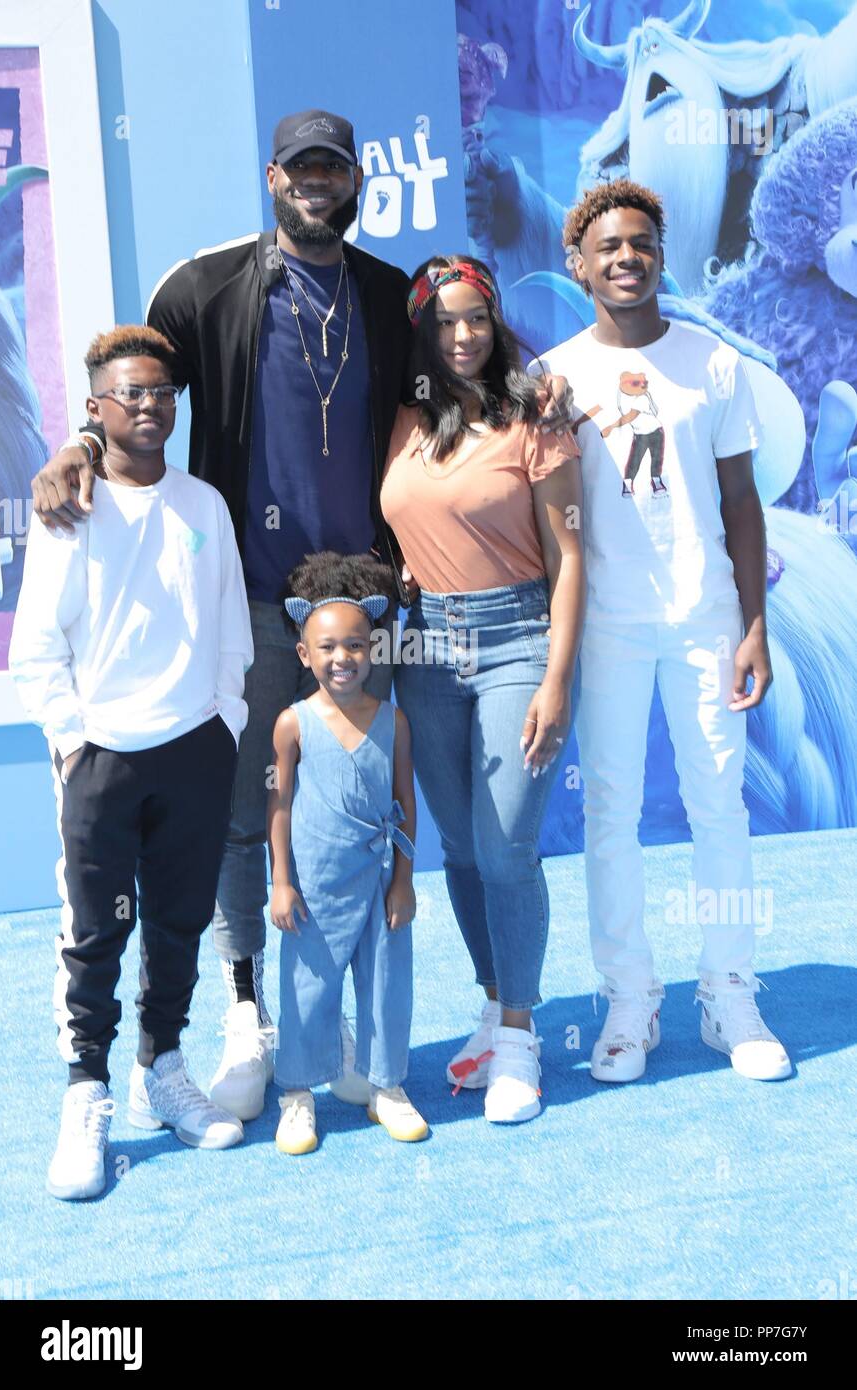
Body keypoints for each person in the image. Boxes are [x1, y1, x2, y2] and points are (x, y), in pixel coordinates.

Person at [28, 109, 572, 1124]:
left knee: (385, 814)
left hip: (380, 611)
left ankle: (400, 1027)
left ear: (355, 180)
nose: (315, 184)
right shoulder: (203, 287)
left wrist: (551, 390)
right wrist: (74, 443)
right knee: (246, 815)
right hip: (261, 606)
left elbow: (473, 363)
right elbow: (134, 382)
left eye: (333, 169)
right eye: (299, 168)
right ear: (270, 176)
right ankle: (249, 1014)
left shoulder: (380, 294)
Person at [537, 179, 791, 1083]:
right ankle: (628, 1001)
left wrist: (754, 624)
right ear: (581, 265)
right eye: (608, 247)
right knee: (609, 811)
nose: (626, 259)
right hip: (605, 625)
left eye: (640, 243)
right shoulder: (554, 377)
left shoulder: (714, 365)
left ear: (660, 252)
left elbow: (742, 505)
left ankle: (729, 993)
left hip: (705, 620)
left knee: (717, 804)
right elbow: (546, 516)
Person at [9, 327, 253, 1200]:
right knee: (96, 935)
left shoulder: (204, 505)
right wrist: (76, 747)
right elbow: (37, 647)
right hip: (102, 760)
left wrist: (224, 721)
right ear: (96, 408)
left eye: (162, 393)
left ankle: (164, 1067)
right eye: (132, 394)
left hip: (194, 748)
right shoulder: (69, 505)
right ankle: (87, 1093)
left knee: (180, 922)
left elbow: (229, 626)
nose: (150, 407)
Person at [381, 256, 585, 1124]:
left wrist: (558, 678)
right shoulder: (405, 416)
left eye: (478, 318)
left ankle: (520, 1034)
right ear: (423, 328)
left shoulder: (537, 413)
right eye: (446, 321)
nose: (463, 336)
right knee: (460, 850)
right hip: (422, 649)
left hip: (515, 642)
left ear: (496, 320)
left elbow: (572, 556)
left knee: (506, 852)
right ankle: (495, 998)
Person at [267, 552, 424, 1155]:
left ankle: (387, 1085)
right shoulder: (292, 724)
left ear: (374, 649)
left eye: (356, 646)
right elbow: (277, 806)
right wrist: (281, 882)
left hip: (381, 881)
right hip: (315, 887)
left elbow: (405, 804)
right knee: (308, 987)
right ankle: (298, 1093)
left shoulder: (395, 721)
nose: (343, 658)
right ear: (305, 654)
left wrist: (404, 880)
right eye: (328, 647)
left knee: (387, 981)